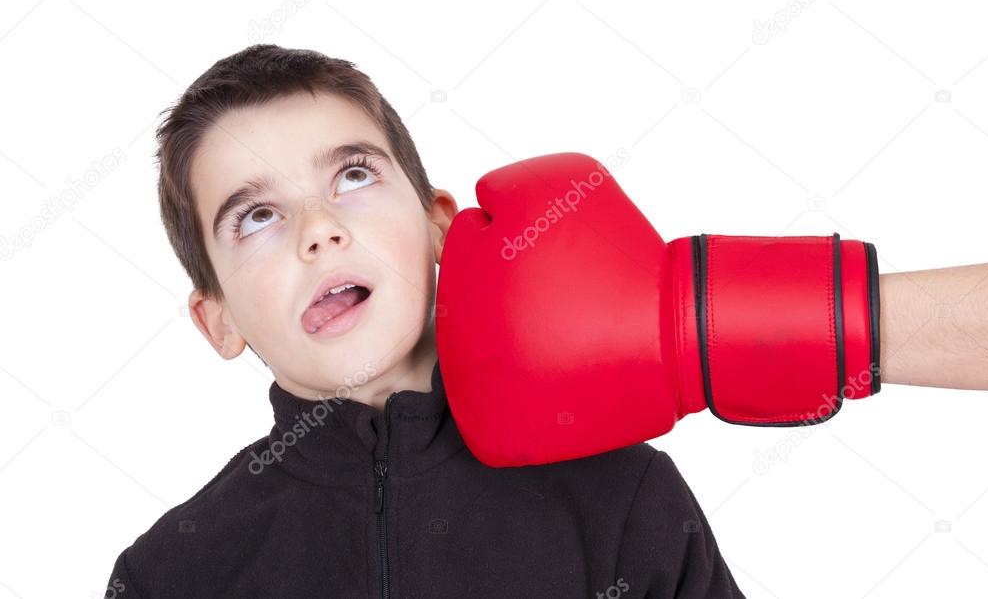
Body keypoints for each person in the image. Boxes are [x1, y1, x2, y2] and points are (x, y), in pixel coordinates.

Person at [103, 45, 745, 597]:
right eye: (258, 216)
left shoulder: (626, 498)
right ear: (217, 320)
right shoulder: (168, 575)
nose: (319, 230)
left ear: (439, 225)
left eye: (353, 175)